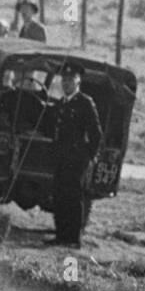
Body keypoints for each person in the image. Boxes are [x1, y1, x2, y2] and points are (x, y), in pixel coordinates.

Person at [47, 62, 101, 249]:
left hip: (77, 160)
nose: (66, 83)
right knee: (59, 196)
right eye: (64, 80)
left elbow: (96, 134)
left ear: (78, 81)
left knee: (73, 198)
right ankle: (61, 235)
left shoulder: (85, 103)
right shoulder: (61, 104)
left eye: (70, 80)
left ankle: (73, 239)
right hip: (61, 158)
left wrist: (89, 157)